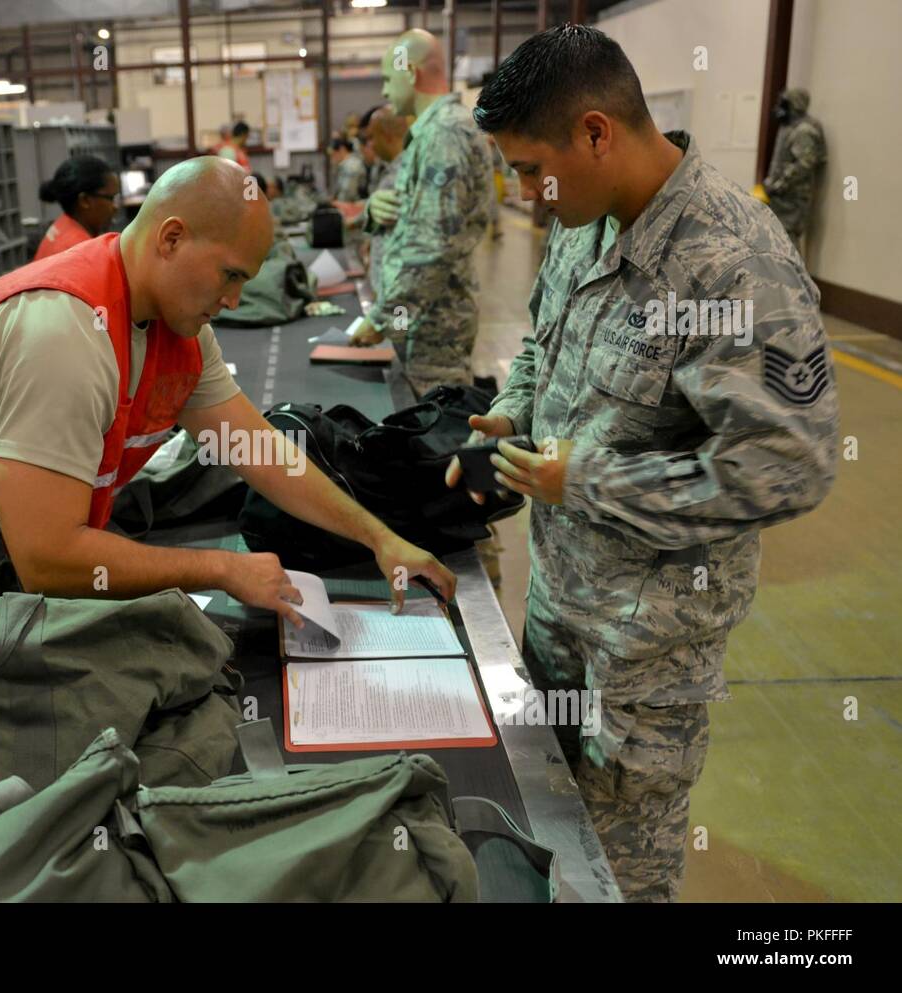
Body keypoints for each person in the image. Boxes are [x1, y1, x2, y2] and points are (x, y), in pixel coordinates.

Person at [451, 24, 839, 901]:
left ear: (596, 132)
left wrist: (583, 480)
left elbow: (789, 464)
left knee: (619, 878)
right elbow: (542, 346)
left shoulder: (735, 260)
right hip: (559, 609)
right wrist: (511, 407)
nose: (527, 196)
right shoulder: (587, 225)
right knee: (548, 833)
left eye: (528, 169)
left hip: (646, 659)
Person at [0, 157, 456, 672]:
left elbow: (258, 449)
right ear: (171, 238)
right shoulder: (63, 332)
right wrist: (220, 568)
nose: (236, 299)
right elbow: (48, 557)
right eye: (230, 275)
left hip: (6, 525)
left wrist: (380, 537)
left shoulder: (176, 325)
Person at [350, 29, 493, 395]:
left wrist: (381, 318)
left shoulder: (443, 135)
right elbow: (422, 222)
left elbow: (433, 246)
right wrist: (378, 210)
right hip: (419, 313)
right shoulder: (429, 135)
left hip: (434, 322)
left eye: (387, 78)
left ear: (410, 71)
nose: (384, 91)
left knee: (434, 430)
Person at [756, 88, 826, 249]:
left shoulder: (804, 130)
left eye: (785, 104)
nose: (780, 108)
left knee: (787, 241)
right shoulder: (789, 127)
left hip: (792, 198)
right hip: (779, 196)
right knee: (777, 238)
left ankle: (794, 274)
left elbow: (804, 164)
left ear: (796, 105)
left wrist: (779, 184)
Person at [33, 156, 119, 261]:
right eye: (111, 198)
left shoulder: (63, 225)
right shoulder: (82, 252)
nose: (115, 207)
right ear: (85, 200)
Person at [359, 106, 409, 289]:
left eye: (371, 137)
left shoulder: (405, 174)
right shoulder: (389, 170)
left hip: (399, 295)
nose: (369, 145)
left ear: (387, 135)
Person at [329, 137, 368, 203]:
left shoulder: (352, 165)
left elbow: (347, 195)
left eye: (333, 154)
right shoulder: (345, 165)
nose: (332, 158)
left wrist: (334, 204)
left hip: (354, 206)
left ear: (342, 150)